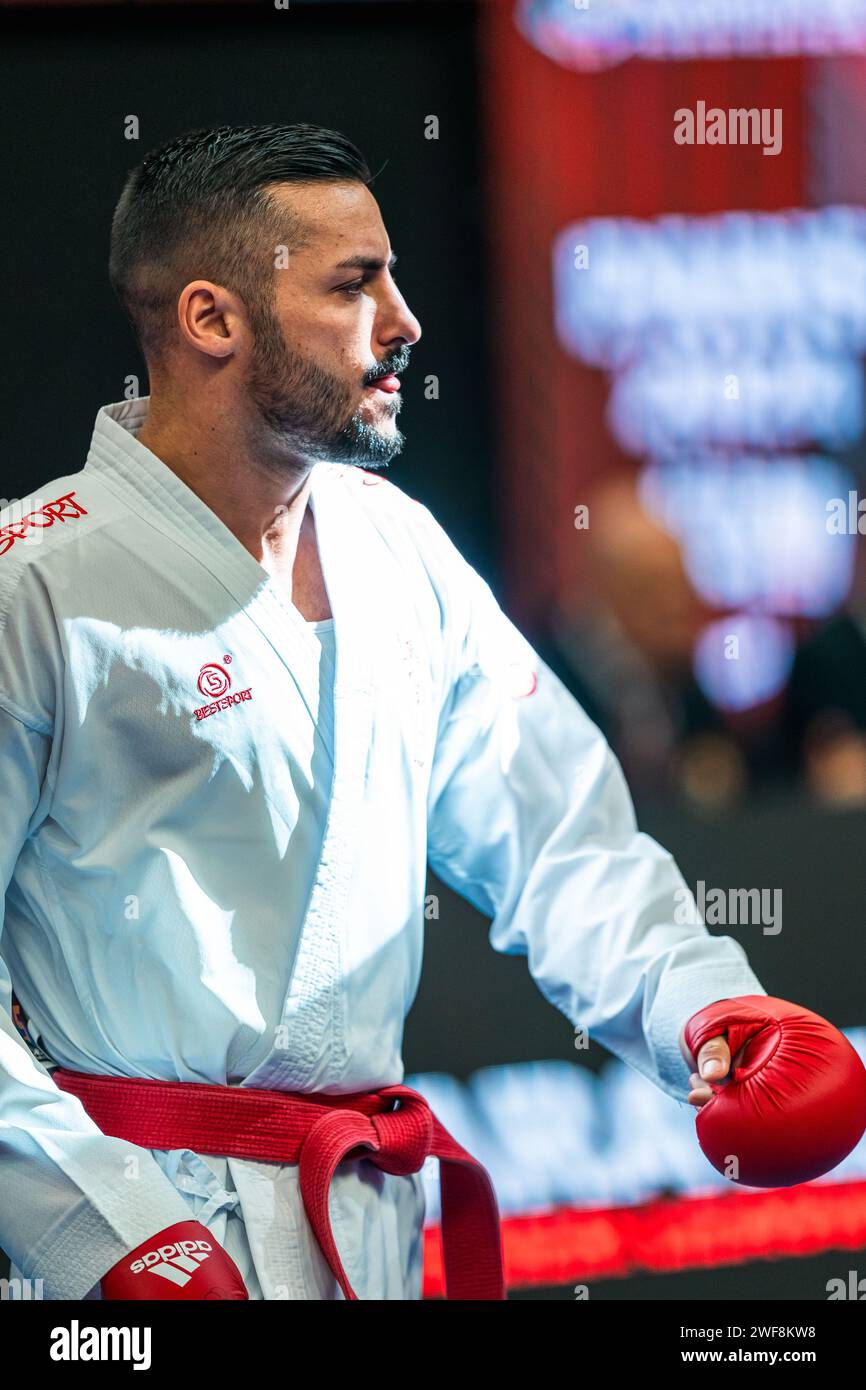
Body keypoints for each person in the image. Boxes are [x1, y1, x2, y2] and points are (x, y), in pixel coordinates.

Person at [0, 123, 769, 1300]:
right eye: (354, 284)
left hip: (364, 1218)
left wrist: (707, 1011)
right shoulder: (34, 585)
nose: (404, 320)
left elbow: (562, 843)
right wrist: (102, 1234)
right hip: (139, 1227)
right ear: (212, 319)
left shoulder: (397, 546)